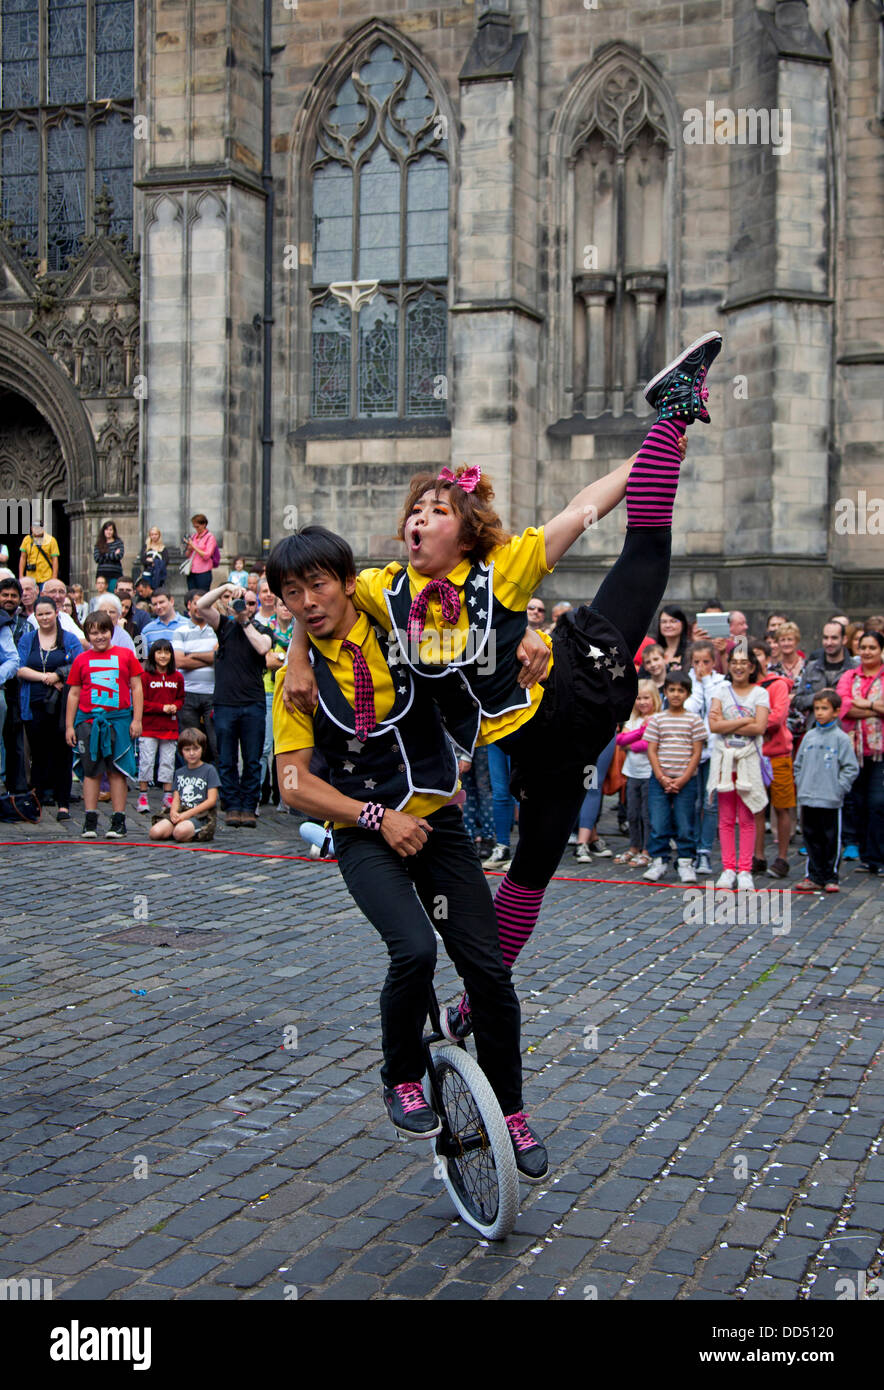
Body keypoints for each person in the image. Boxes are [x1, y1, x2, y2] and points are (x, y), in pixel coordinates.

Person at [284, 332, 719, 1029]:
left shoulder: (503, 568)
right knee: (529, 876)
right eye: (414, 513)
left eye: (439, 511)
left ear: (465, 531)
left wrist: (646, 462)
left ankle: (669, 415)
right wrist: (300, 653)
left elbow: (583, 509)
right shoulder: (382, 588)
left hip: (582, 682)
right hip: (546, 755)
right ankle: (471, 1003)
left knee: (648, 553)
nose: (421, 520)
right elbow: (314, 595)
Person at [268, 525, 548, 1178]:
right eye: (292, 593)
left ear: (345, 580)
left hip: (437, 824)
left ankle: (510, 1110)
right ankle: (400, 1075)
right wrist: (377, 816)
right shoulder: (297, 684)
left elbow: (468, 600)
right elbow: (294, 785)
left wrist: (523, 633)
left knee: (489, 974)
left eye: (318, 584)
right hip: (367, 835)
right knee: (416, 950)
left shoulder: (390, 617)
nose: (308, 601)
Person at [195, 582, 272, 826]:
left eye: (250, 604)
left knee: (252, 759)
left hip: (253, 704)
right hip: (226, 703)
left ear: (255, 606)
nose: (245, 607)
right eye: (242, 602)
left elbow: (262, 648)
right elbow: (201, 605)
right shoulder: (223, 625)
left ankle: (249, 806)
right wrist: (226, 587)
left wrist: (245, 621)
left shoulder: (261, 629)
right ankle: (231, 805)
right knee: (226, 758)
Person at [65, 611, 144, 838]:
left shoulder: (126, 654)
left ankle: (118, 819)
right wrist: (70, 726)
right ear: (87, 635)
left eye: (103, 631)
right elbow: (74, 693)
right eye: (94, 633)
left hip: (118, 719)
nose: (99, 637)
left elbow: (136, 687)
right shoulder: (81, 659)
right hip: (89, 720)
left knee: (116, 770)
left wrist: (137, 719)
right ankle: (90, 818)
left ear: (112, 631)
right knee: (91, 771)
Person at [707, 648, 770, 890]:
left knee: (746, 818)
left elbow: (760, 727)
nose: (739, 667)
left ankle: (745, 869)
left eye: (744, 663)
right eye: (734, 662)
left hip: (748, 761)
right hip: (724, 762)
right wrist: (745, 720)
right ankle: (727, 868)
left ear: (752, 667)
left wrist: (729, 724)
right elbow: (714, 725)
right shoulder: (721, 692)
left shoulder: (760, 694)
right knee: (724, 819)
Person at [16, 596, 81, 818]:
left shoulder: (70, 639)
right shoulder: (28, 639)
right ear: (35, 616)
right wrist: (47, 677)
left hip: (62, 706)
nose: (44, 617)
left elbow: (79, 666)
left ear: (56, 613)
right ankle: (38, 797)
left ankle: (63, 802)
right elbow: (20, 668)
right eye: (40, 614)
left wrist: (60, 675)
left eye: (48, 613)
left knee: (63, 752)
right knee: (39, 753)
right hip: (33, 704)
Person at [642, 670, 706, 882]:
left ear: (687, 694)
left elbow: (696, 752)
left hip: (685, 781)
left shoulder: (694, 720)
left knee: (685, 822)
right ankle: (659, 860)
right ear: (665, 692)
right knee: (658, 821)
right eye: (672, 690)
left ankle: (686, 861)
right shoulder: (658, 719)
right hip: (660, 780)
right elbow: (652, 749)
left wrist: (684, 778)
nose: (676, 694)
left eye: (681, 690)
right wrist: (661, 777)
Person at [793, 690, 858, 893]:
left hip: (830, 798)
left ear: (836, 712)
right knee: (811, 837)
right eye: (817, 709)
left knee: (830, 838)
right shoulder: (809, 737)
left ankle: (831, 876)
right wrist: (801, 783)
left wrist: (839, 788)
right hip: (808, 797)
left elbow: (850, 767)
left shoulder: (841, 739)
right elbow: (798, 764)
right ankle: (814, 875)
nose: (820, 713)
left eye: (824, 709)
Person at [836, 630, 884, 874]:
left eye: (872, 647)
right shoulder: (849, 675)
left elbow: (854, 705)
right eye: (863, 647)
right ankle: (868, 857)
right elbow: (843, 706)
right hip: (854, 749)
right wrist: (876, 709)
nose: (866, 652)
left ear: (880, 650)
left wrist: (867, 704)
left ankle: (879, 856)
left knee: (878, 802)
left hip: (880, 750)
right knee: (859, 802)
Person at [750, 637, 795, 880]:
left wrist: (751, 724)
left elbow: (776, 718)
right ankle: (757, 855)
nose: (755, 660)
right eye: (751, 655)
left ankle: (783, 857)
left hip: (777, 753)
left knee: (782, 805)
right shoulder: (746, 686)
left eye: (759, 654)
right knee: (757, 807)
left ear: (767, 659)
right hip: (754, 753)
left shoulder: (776, 685)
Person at [685, 639, 728, 875]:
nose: (701, 667)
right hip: (689, 751)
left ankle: (704, 851)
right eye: (697, 662)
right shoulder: (687, 681)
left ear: (714, 662)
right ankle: (689, 848)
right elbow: (691, 708)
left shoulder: (722, 683)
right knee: (691, 802)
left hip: (714, 750)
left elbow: (716, 709)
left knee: (710, 803)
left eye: (706, 662)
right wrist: (698, 685)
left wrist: (707, 683)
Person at [613, 679, 660, 867]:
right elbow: (620, 740)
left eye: (646, 698)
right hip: (632, 773)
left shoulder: (657, 718)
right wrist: (641, 731)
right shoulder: (633, 719)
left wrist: (634, 743)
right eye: (638, 698)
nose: (642, 702)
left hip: (649, 773)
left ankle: (647, 849)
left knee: (647, 814)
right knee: (632, 812)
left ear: (654, 698)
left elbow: (648, 745)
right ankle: (634, 846)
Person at [137, 640, 185, 814]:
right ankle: (143, 795)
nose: (163, 656)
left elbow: (181, 698)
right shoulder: (145, 677)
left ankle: (167, 796)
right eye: (159, 652)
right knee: (147, 762)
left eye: (167, 652)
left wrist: (175, 706)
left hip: (169, 728)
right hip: (149, 728)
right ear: (153, 655)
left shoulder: (177, 677)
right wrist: (161, 708)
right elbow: (141, 702)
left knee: (167, 762)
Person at [149, 728, 220, 842]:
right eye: (187, 750)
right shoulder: (179, 772)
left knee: (180, 832)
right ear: (181, 751)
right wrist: (173, 812)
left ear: (202, 749)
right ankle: (178, 829)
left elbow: (211, 800)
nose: (191, 753)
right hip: (182, 811)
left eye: (196, 749)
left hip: (201, 815)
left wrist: (188, 814)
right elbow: (176, 797)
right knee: (155, 832)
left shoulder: (209, 770)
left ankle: (190, 831)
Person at [173, 590, 219, 762]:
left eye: (203, 603)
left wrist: (192, 655)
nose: (199, 608)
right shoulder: (180, 631)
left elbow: (220, 656)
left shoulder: (217, 629)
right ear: (189, 606)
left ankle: (217, 785)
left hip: (212, 693)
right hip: (188, 694)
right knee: (189, 742)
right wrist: (210, 657)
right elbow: (180, 662)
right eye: (196, 603)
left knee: (215, 743)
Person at [790, 621, 858, 733]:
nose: (829, 642)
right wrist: (818, 697)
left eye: (834, 638)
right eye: (825, 638)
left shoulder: (855, 668)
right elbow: (798, 701)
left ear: (844, 640)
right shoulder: (812, 667)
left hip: (845, 732)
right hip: (815, 732)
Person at [0, 575, 23, 789]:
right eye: (4, 594)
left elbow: (13, 659)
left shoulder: (3, 622)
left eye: (12, 595)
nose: (8, 598)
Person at [183, 514, 220, 593]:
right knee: (191, 594)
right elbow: (187, 555)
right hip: (192, 570)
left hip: (204, 572)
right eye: (194, 527)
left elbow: (207, 555)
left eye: (198, 527)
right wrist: (189, 548)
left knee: (202, 595)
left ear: (204, 525)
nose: (196, 529)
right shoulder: (194, 536)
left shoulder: (210, 537)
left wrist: (194, 546)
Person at [19, 520, 59, 587]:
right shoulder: (27, 539)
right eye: (34, 528)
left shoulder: (51, 540)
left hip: (46, 577)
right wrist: (21, 575)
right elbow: (23, 557)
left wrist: (54, 577)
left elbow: (55, 559)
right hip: (30, 577)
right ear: (31, 528)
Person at [655, 605, 691, 669]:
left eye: (673, 621)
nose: (668, 625)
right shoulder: (654, 650)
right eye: (664, 622)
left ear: (683, 624)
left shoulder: (690, 650)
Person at [94, 520, 125, 591]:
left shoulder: (118, 543)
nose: (109, 532)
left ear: (114, 531)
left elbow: (119, 556)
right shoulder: (99, 544)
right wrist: (113, 554)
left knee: (113, 591)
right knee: (103, 594)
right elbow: (97, 558)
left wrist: (104, 555)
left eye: (111, 529)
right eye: (107, 529)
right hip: (102, 573)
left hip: (115, 573)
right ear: (104, 531)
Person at [138, 527, 168, 591]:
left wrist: (154, 561)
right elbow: (143, 559)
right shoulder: (146, 547)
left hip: (158, 575)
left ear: (159, 535)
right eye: (152, 534)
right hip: (147, 573)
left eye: (156, 534)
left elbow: (165, 561)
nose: (154, 536)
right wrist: (151, 563)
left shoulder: (163, 548)